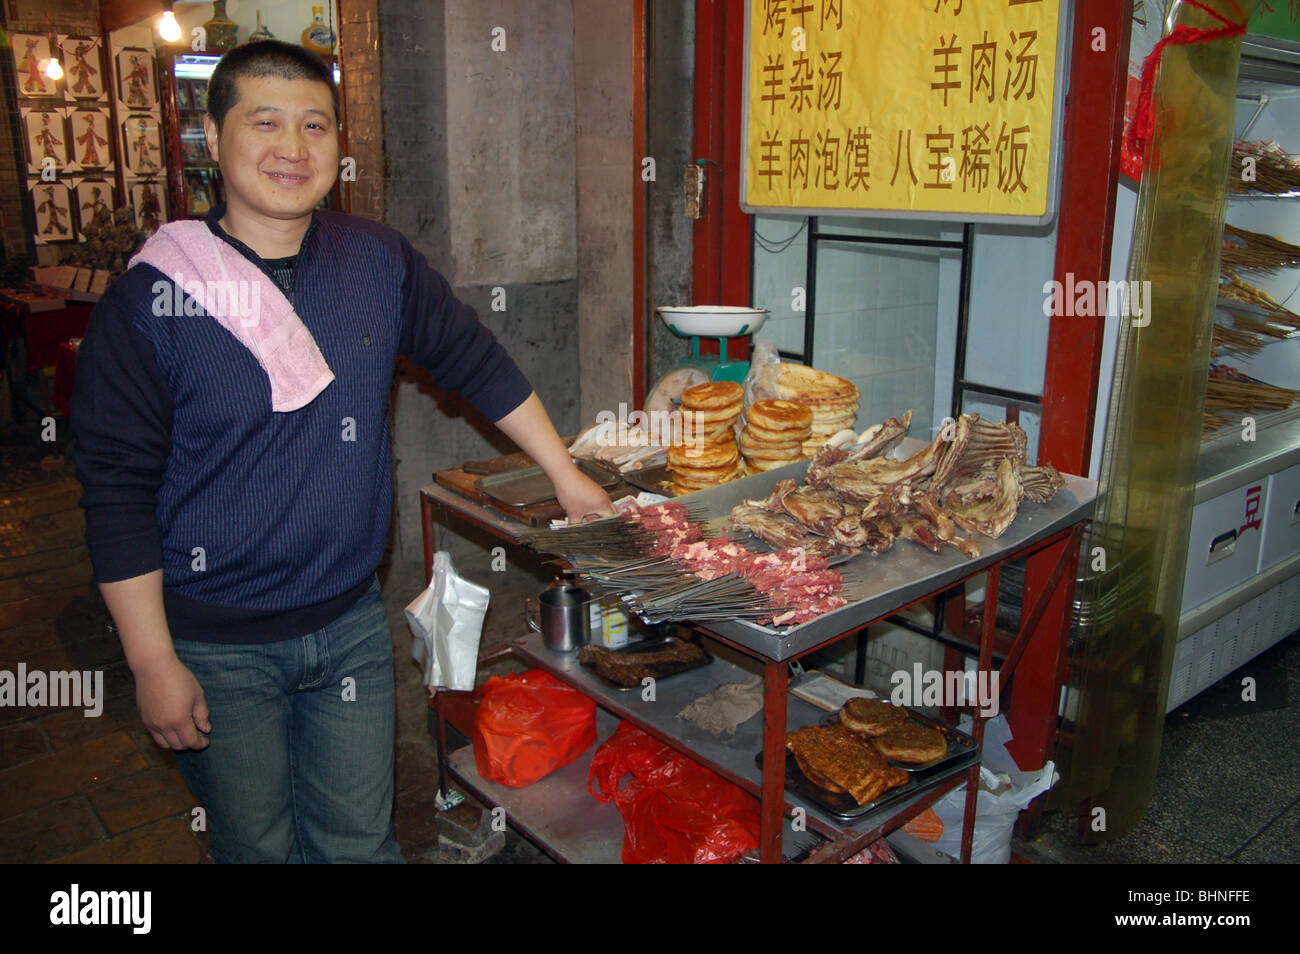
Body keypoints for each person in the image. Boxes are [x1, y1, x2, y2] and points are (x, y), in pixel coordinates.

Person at [71, 40, 613, 864]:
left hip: (349, 620)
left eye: (315, 126)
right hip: (217, 643)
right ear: (212, 141)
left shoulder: (375, 261)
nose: (293, 148)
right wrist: (151, 661)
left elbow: (476, 361)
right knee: (257, 846)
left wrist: (564, 474)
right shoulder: (153, 301)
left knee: (360, 843)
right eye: (267, 123)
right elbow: (114, 492)